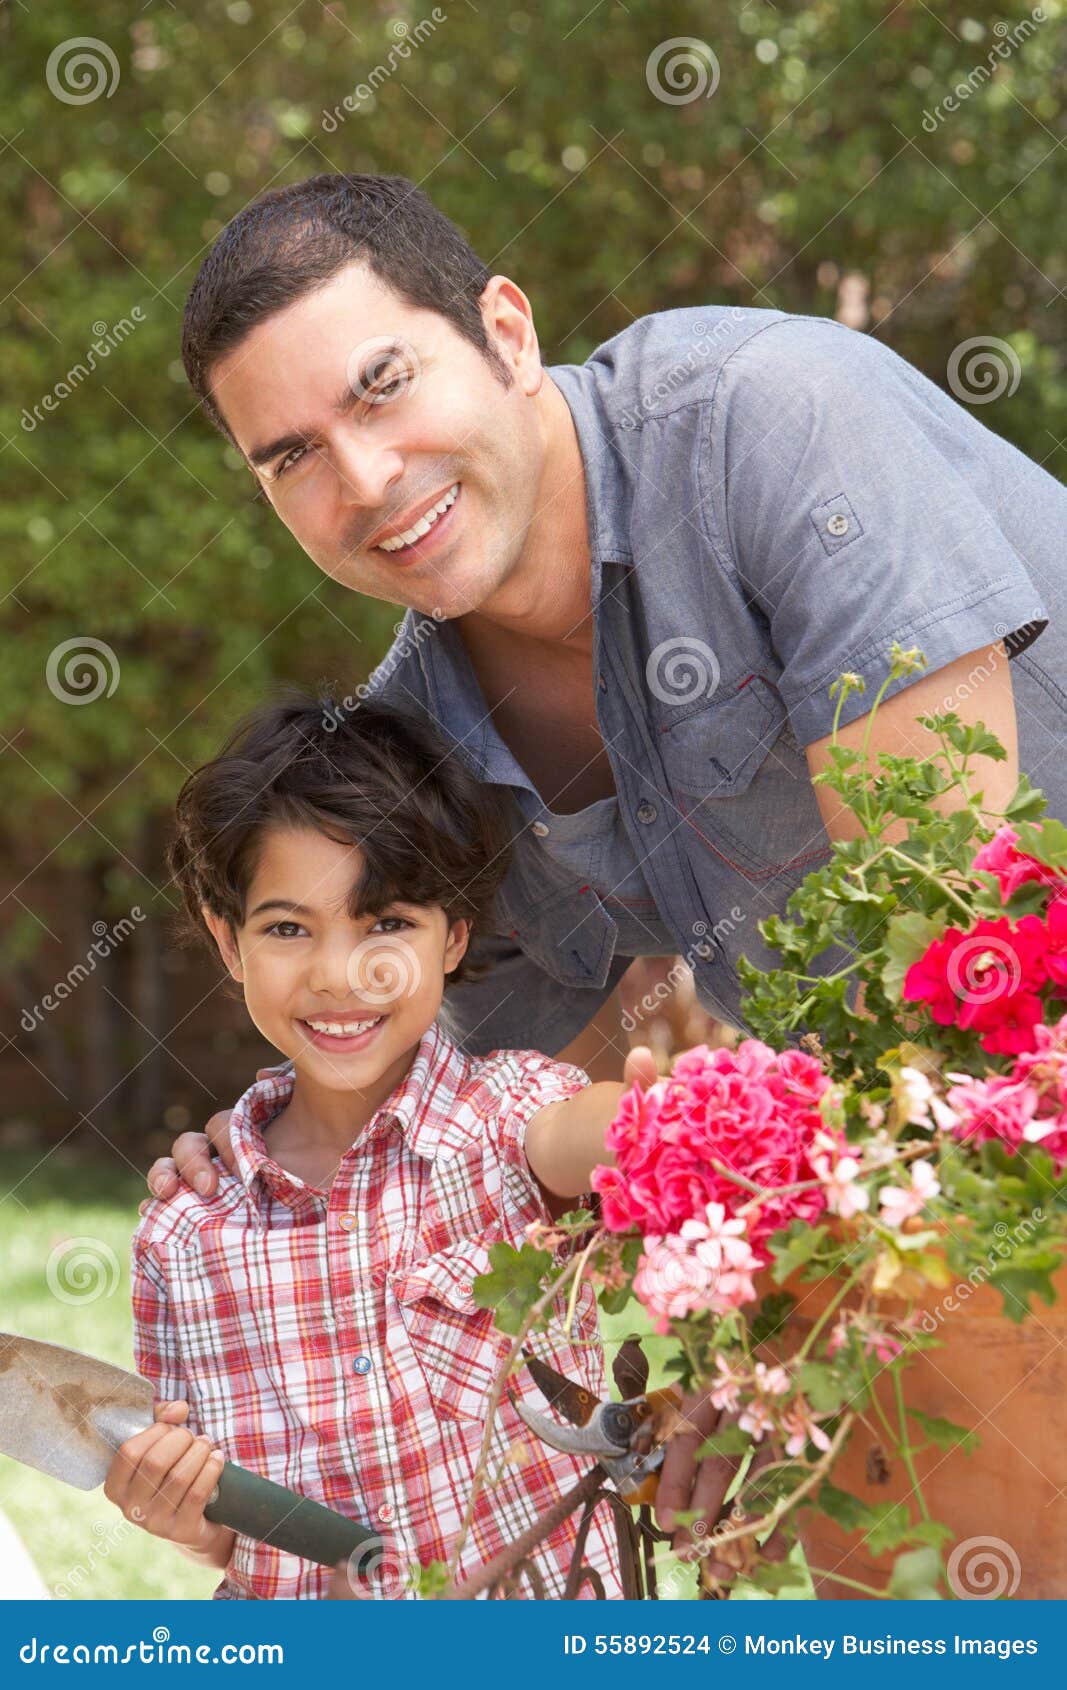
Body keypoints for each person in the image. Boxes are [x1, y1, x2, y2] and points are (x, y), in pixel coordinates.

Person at [150, 171, 1067, 1564]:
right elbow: (504, 1143)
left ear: (505, 332)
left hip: (990, 1113)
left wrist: (781, 1323)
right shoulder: (420, 762)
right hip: (913, 1187)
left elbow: (949, 945)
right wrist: (287, 1139)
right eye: (291, 458)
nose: (365, 478)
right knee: (901, 1533)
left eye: (382, 386)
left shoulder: (776, 425)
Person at [106, 692, 656, 1600]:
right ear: (227, 941)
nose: (337, 976)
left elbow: (574, 1131)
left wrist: (648, 1125)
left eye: (387, 923)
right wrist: (177, 1512)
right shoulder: (182, 1238)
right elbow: (226, 1531)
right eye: (287, 929)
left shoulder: (504, 1121)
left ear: (456, 937)